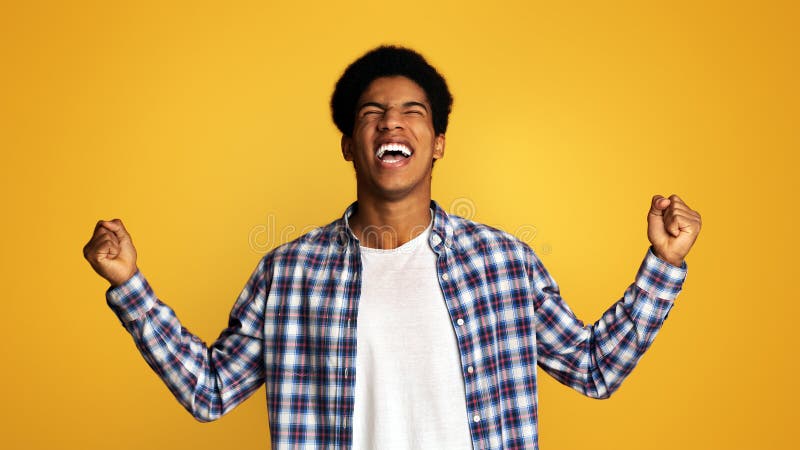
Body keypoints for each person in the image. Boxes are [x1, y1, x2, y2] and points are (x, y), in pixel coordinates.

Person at [83, 46, 702, 450]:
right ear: (351, 145)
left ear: (436, 143)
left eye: (413, 113)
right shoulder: (289, 273)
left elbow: (593, 369)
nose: (391, 123)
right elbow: (211, 392)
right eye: (372, 113)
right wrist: (129, 286)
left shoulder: (503, 264)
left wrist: (664, 266)